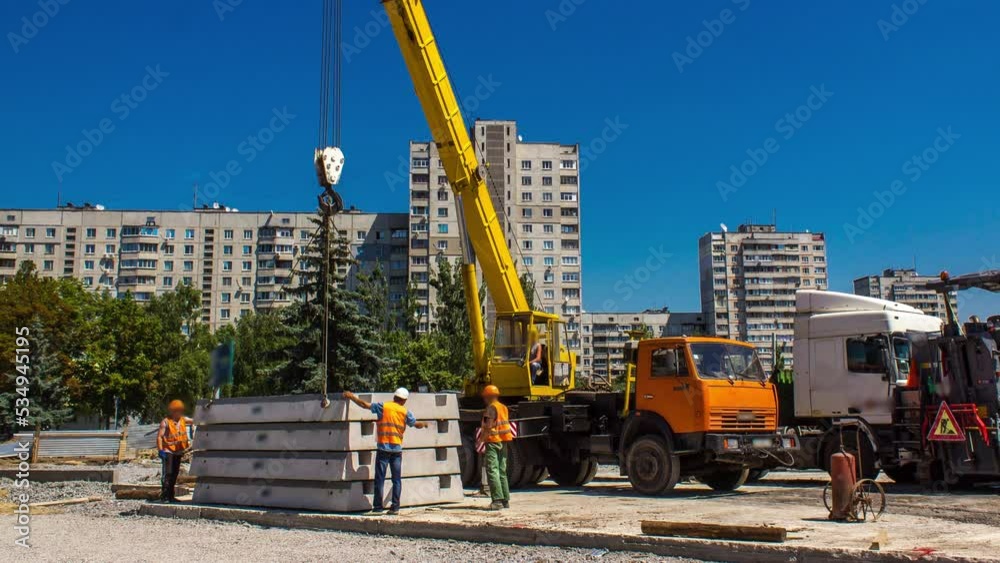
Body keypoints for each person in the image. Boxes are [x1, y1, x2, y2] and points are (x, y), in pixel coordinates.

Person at [343, 388, 428, 515]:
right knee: (396, 479)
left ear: (394, 397)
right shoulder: (405, 412)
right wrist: (424, 424)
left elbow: (364, 405)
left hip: (383, 448)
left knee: (380, 479)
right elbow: (415, 424)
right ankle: (395, 507)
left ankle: (378, 508)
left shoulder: (384, 407)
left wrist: (351, 396)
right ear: (404, 400)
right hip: (397, 450)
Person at [478, 384, 512, 510]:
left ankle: (497, 501)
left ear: (488, 396)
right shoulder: (503, 407)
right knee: (502, 471)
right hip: (503, 442)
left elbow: (487, 426)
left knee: (492, 470)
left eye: (485, 397)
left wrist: (480, 441)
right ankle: (505, 500)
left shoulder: (490, 409)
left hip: (492, 441)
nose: (484, 399)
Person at [156, 399, 193, 502]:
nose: (179, 412)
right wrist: (160, 450)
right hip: (168, 451)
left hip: (178, 452)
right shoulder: (166, 422)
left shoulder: (182, 420)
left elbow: (194, 420)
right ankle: (165, 496)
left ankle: (171, 496)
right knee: (168, 474)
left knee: (174, 474)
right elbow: (159, 437)